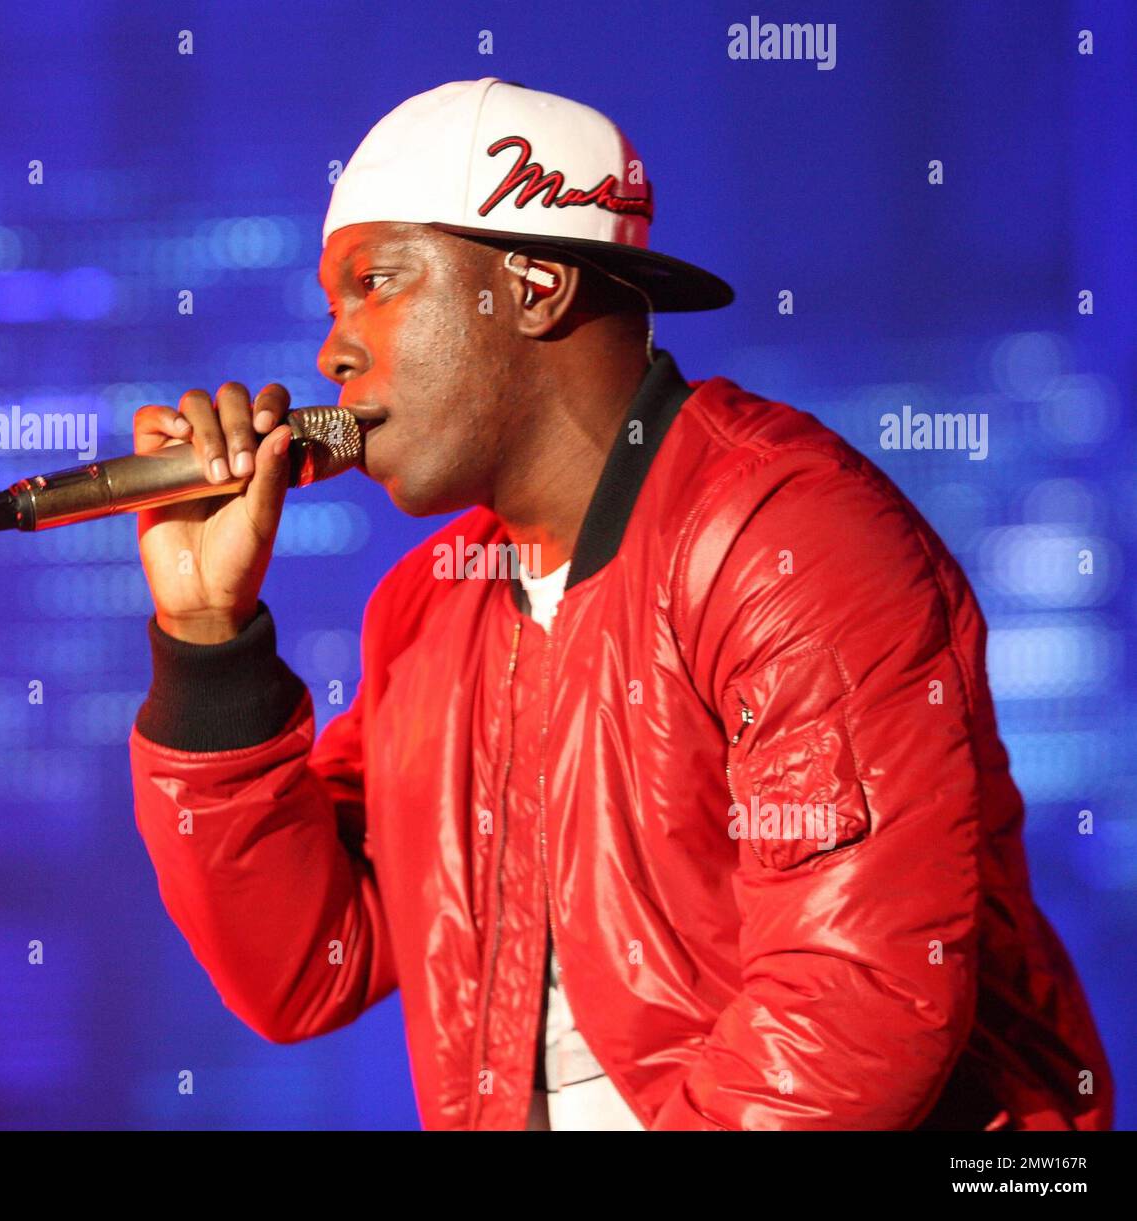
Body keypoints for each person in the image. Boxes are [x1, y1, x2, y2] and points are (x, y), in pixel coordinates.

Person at [127, 78, 1112, 1130]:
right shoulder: (429, 605)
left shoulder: (782, 538)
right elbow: (305, 970)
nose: (334, 351)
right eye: (333, 306)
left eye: (375, 283)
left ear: (538, 284)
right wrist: (208, 643)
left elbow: (852, 1013)